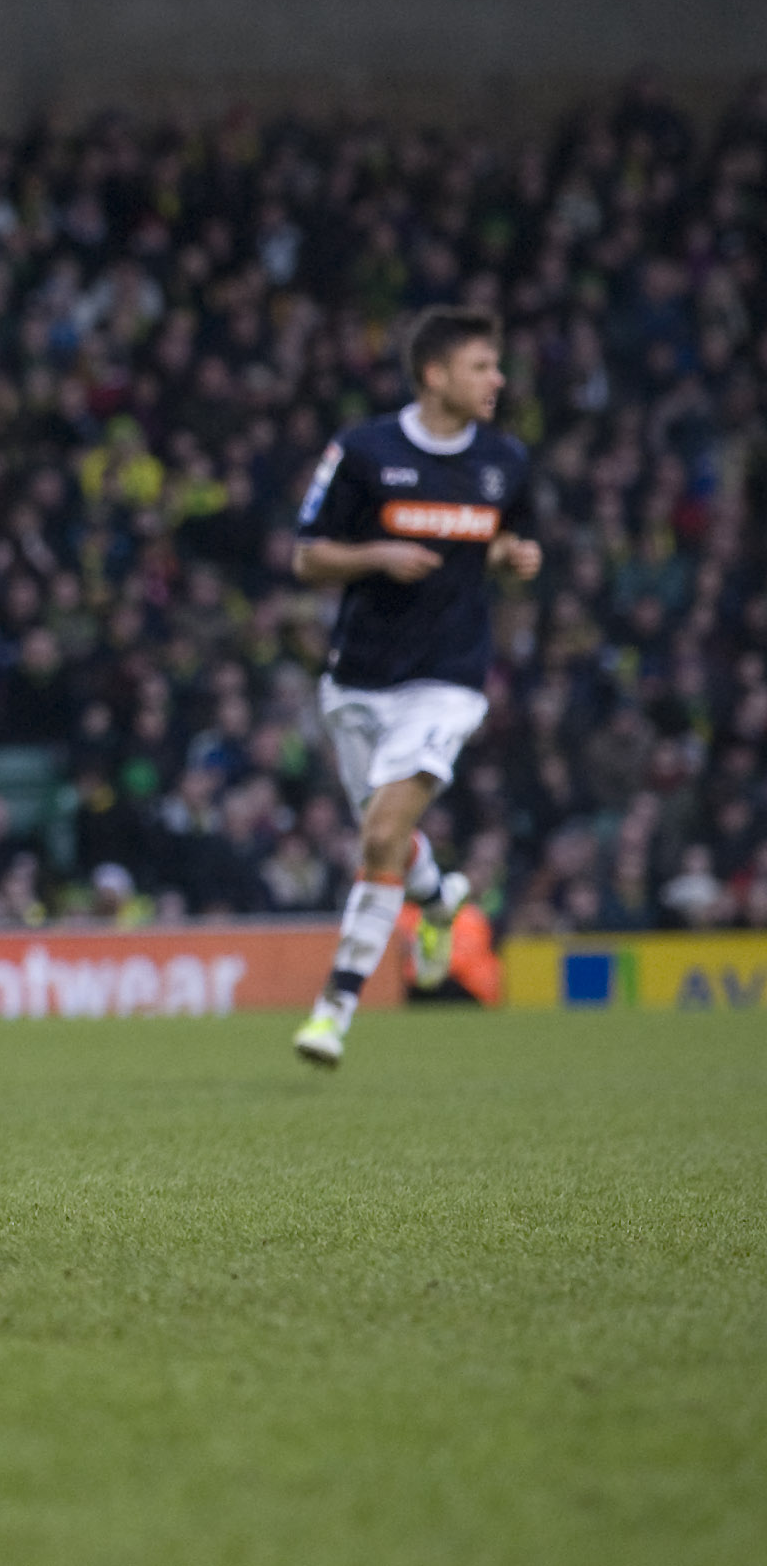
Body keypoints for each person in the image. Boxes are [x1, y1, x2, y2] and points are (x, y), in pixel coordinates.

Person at [288, 307, 539, 1069]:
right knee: (388, 836)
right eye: (480, 367)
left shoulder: (504, 461)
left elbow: (501, 533)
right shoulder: (364, 451)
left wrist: (512, 557)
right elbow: (306, 558)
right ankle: (437, 902)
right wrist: (378, 556)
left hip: (450, 678)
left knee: (378, 836)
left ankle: (334, 1009)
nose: (496, 379)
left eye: (496, 366)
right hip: (360, 680)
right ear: (434, 375)